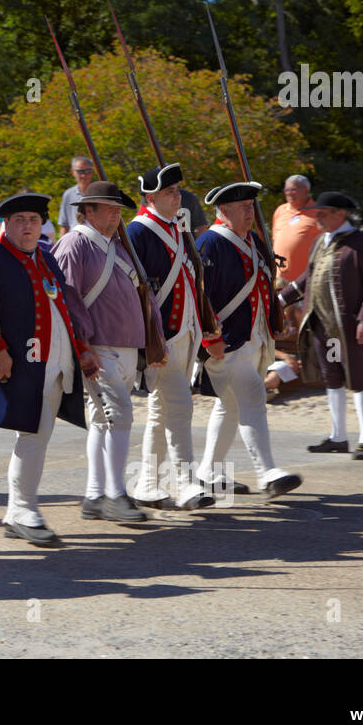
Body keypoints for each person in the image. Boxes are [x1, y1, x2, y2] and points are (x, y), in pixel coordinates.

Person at [0, 193, 99, 546]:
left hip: (57, 360)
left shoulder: (45, 255)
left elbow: (65, 305)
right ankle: (22, 510)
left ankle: (20, 508)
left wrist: (81, 349)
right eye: (19, 220)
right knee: (31, 435)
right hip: (24, 361)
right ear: (4, 224)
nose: (28, 226)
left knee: (39, 435)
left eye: (33, 219)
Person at [53, 180, 165, 523]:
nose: (117, 215)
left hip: (128, 346)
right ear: (88, 211)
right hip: (98, 347)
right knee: (120, 416)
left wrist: (155, 337)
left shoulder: (120, 244)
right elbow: (68, 299)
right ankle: (117, 494)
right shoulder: (74, 244)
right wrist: (83, 346)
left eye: (119, 210)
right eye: (109, 209)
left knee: (103, 421)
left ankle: (94, 495)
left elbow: (144, 294)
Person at [195, 183, 303, 497]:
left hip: (253, 338)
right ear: (224, 210)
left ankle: (209, 471)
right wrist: (208, 338)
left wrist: (273, 319)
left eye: (251, 206)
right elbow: (200, 298)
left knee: (229, 406)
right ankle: (267, 473)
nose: (250, 212)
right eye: (243, 207)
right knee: (254, 397)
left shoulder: (253, 240)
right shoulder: (209, 244)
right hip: (224, 342)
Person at [127, 162, 218, 510]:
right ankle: (187, 484)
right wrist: (149, 339)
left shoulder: (175, 228)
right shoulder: (139, 232)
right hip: (160, 337)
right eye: (169, 191)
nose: (177, 195)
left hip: (185, 332)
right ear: (150, 196)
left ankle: (148, 485)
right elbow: (136, 291)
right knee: (180, 405)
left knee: (161, 410)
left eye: (177, 190)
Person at [280, 191, 363, 459]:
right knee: (332, 378)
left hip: (348, 327)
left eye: (323, 214)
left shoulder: (361, 243)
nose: (318, 218)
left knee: (358, 380)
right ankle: (338, 437)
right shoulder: (319, 242)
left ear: (340, 214)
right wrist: (280, 300)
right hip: (322, 326)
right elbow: (306, 278)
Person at [271, 175, 322, 288]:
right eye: (286, 190)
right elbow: (275, 240)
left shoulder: (319, 212)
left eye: (293, 189)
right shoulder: (280, 210)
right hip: (280, 281)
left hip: (306, 283)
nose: (289, 193)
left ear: (305, 190)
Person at [56, 157, 94, 239]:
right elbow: (64, 226)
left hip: (97, 242)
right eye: (80, 171)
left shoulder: (101, 192)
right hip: (73, 242)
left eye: (87, 171)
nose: (84, 175)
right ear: (73, 172)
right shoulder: (68, 194)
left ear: (92, 172)